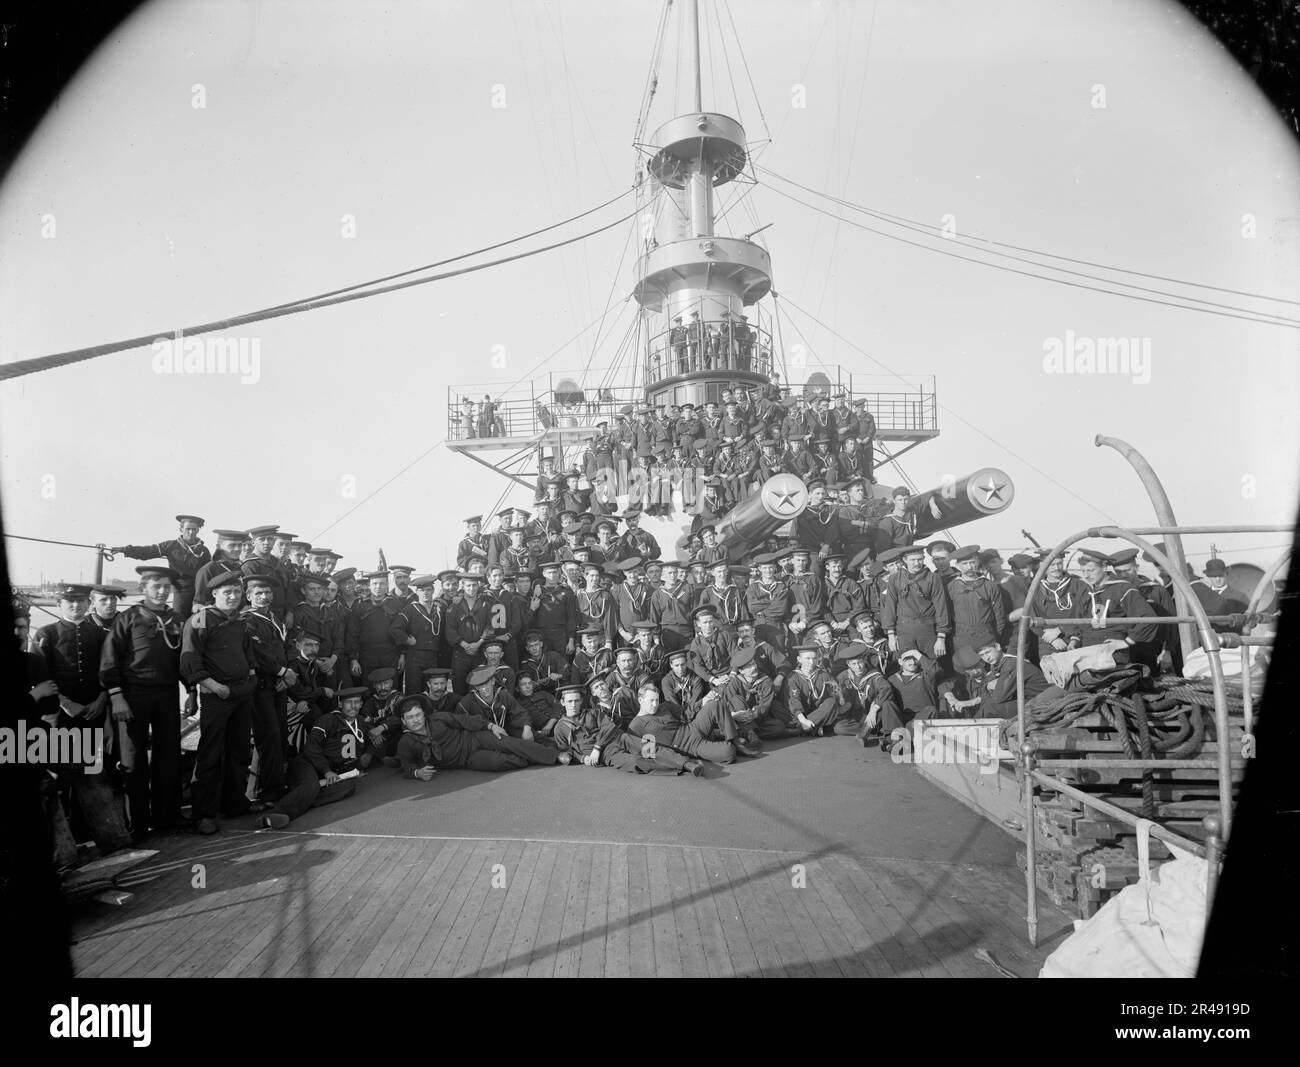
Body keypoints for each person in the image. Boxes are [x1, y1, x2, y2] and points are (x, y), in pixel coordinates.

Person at [100, 564, 186, 839]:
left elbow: (183, 659)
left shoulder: (177, 619)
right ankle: (137, 823)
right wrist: (117, 698)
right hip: (133, 696)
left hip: (168, 695)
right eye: (155, 587)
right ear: (144, 589)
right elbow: (109, 662)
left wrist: (192, 692)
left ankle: (166, 817)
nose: (162, 592)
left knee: (168, 756)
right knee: (133, 760)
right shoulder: (128, 618)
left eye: (165, 587)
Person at [181, 568, 264, 835]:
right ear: (214, 593)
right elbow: (189, 661)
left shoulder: (239, 621)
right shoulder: (201, 620)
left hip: (241, 695)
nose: (232, 596)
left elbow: (248, 657)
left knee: (239, 750)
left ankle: (235, 803)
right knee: (210, 754)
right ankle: (203, 813)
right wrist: (214, 687)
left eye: (237, 592)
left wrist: (249, 680)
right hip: (216, 697)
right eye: (227, 592)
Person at [259, 687, 369, 828]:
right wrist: (326, 770)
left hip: (331, 771)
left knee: (349, 786)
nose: (353, 706)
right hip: (307, 764)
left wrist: (353, 770)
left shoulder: (361, 722)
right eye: (349, 702)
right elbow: (311, 747)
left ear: (361, 704)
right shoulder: (327, 719)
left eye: (357, 702)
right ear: (340, 704)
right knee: (312, 785)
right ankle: (274, 814)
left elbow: (362, 744)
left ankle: (299, 797)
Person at [241, 576, 296, 803]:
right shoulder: (247, 620)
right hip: (261, 685)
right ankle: (268, 790)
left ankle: (278, 782)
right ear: (249, 596)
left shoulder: (275, 618)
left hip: (279, 685)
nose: (264, 597)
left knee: (281, 733)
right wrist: (283, 672)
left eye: (267, 593)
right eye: (258, 594)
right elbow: (258, 653)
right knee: (269, 736)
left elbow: (286, 648)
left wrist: (288, 674)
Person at [112, 514, 213, 619]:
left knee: (200, 620)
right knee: (180, 618)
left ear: (197, 530)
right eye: (188, 529)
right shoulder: (170, 546)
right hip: (181, 589)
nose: (191, 532)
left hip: (200, 591)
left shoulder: (203, 551)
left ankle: (197, 633)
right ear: (181, 529)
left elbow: (209, 571)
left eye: (194, 529)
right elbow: (148, 551)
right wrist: (125, 550)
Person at [882, 545, 951, 659]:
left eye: (919, 559)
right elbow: (890, 607)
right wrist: (891, 635)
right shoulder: (894, 579)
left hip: (927, 630)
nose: (916, 563)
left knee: (932, 665)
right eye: (912, 560)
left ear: (924, 558)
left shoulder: (933, 578)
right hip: (904, 631)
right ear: (905, 560)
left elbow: (941, 607)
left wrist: (941, 638)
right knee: (909, 665)